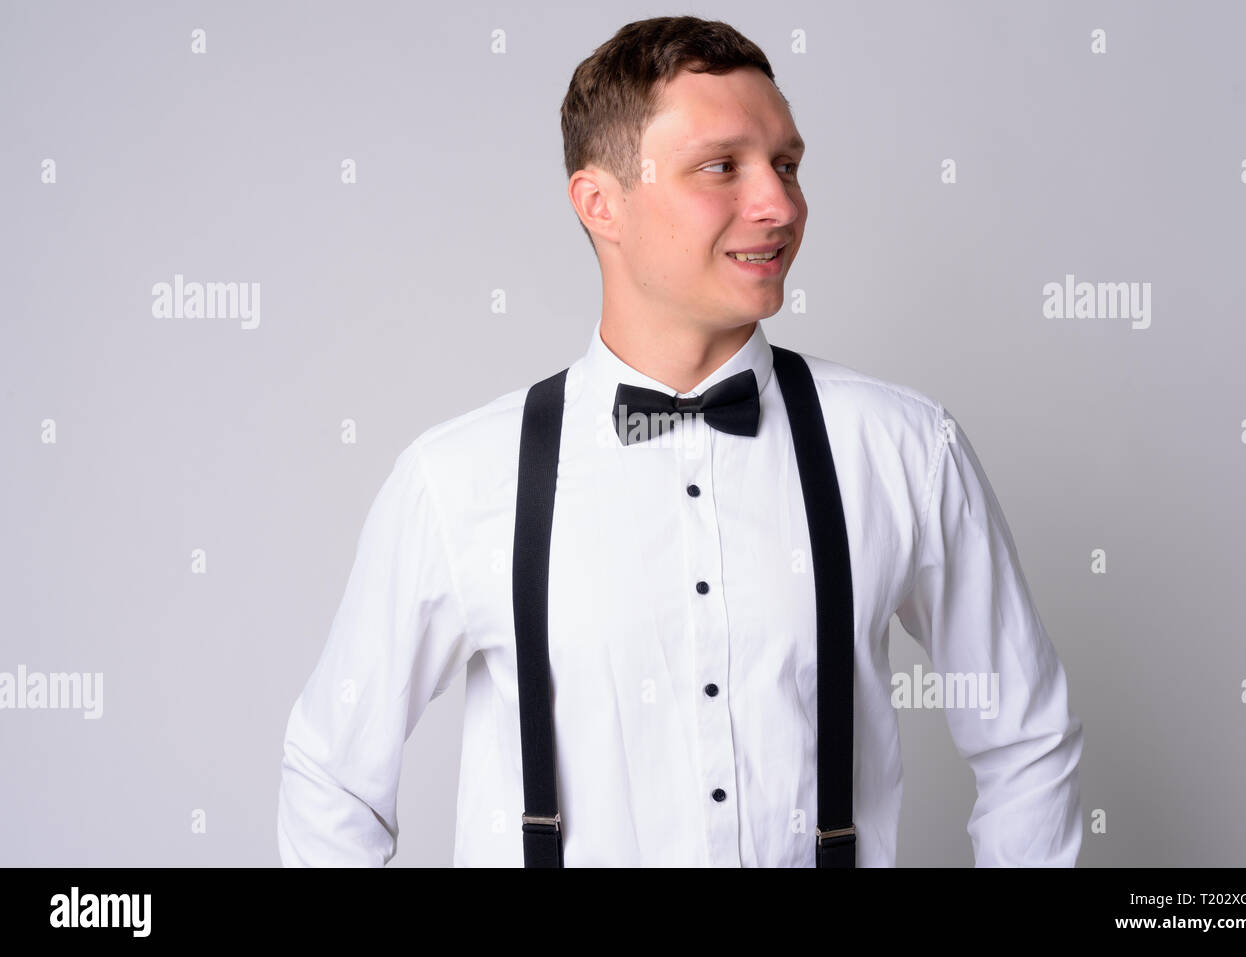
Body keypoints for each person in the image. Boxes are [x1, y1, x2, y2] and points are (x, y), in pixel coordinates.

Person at [277, 15, 1083, 867]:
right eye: (722, 167)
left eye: (786, 165)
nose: (778, 205)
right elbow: (331, 775)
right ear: (601, 203)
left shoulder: (907, 449)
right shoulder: (459, 479)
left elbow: (1027, 736)